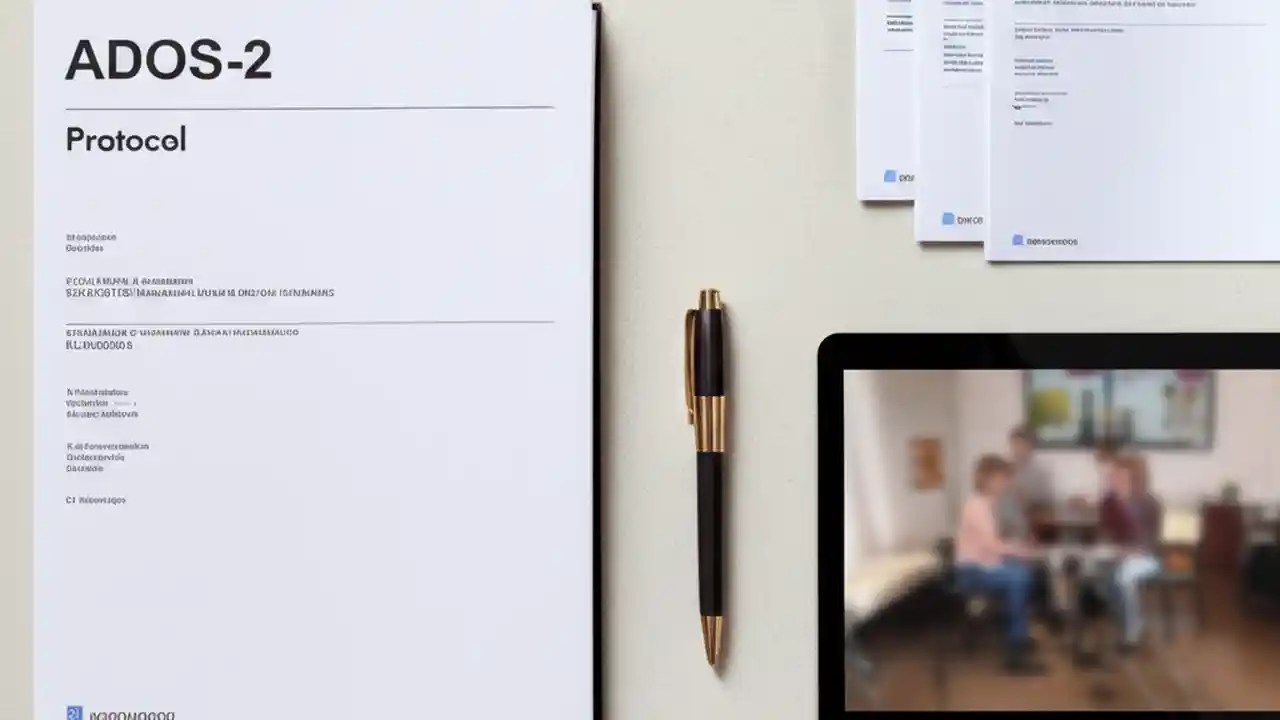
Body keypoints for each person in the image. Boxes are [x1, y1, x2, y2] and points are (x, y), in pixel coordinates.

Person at [955, 454, 1047, 674]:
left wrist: (1019, 548)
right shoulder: (977, 506)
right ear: (988, 479)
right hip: (971, 571)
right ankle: (1015, 652)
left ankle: (1019, 635)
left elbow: (996, 545)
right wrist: (1021, 550)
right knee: (1020, 577)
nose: (1006, 482)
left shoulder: (989, 503)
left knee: (1024, 573)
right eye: (1002, 478)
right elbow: (992, 545)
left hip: (986, 564)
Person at [1099, 453, 1164, 653]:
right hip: (1117, 554)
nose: (1114, 479)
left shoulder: (1149, 503)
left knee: (1124, 576)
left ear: (1135, 478)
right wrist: (1110, 548)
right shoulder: (1108, 501)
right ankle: (1119, 617)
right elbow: (1105, 533)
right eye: (1114, 475)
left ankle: (1132, 633)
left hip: (1146, 557)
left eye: (1120, 475)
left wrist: (1130, 551)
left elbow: (1150, 542)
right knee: (1094, 571)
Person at [1004, 425, 1055, 541]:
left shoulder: (1040, 473)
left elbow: (1047, 504)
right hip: (1005, 526)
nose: (1016, 449)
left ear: (1030, 446)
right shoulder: (1004, 469)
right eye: (1014, 445)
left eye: (1020, 445)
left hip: (1030, 526)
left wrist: (1024, 497)